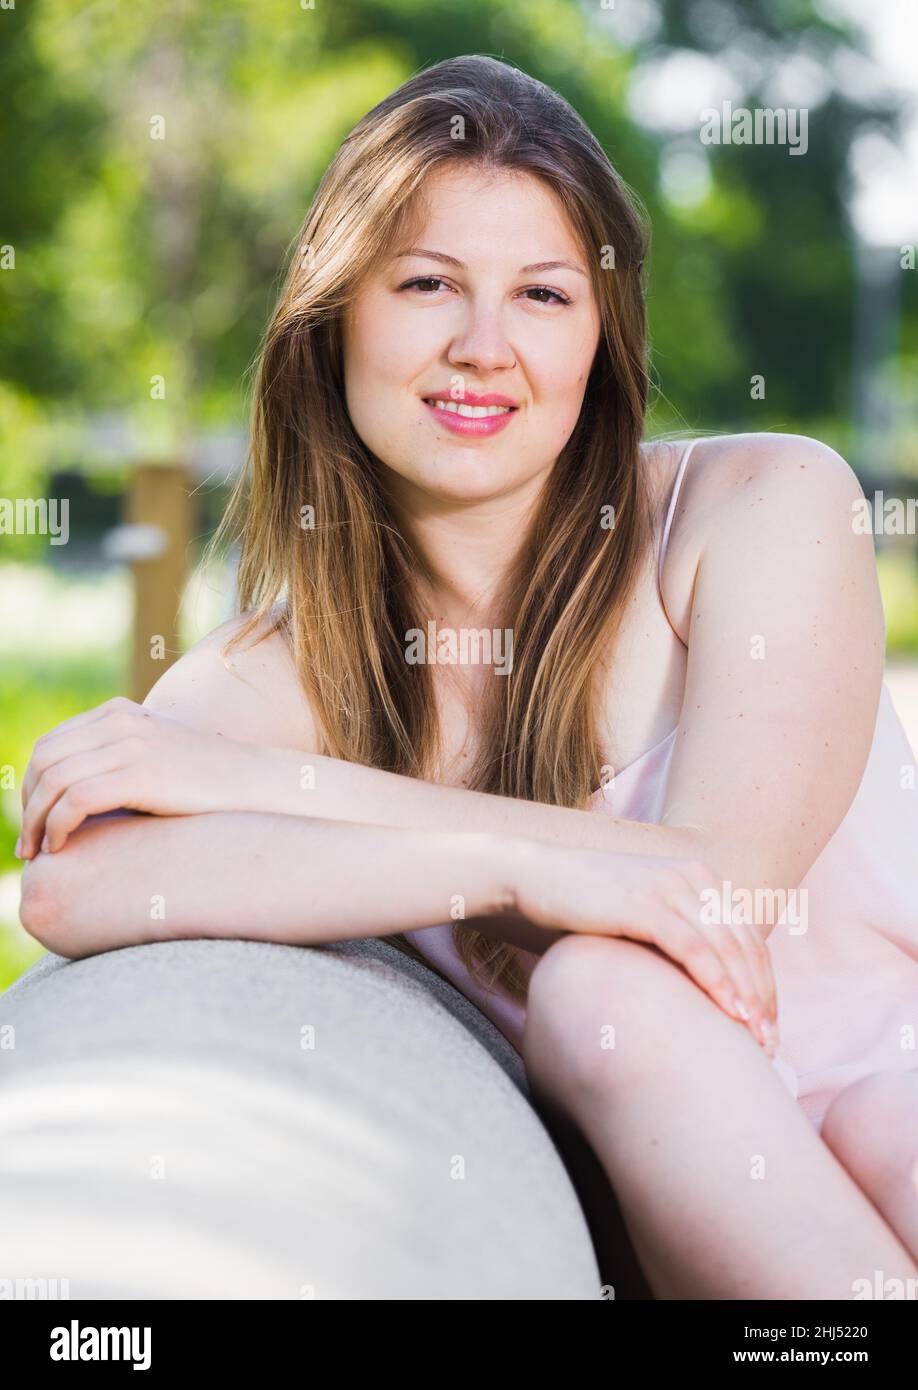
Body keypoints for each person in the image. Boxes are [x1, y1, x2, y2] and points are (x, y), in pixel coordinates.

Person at [17, 55, 918, 1299]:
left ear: (602, 335)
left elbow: (710, 898)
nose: (482, 348)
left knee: (635, 994)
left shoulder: (756, 504)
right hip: (671, 1229)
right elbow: (74, 888)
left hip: (901, 1100)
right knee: (605, 989)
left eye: (543, 295)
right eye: (429, 283)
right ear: (336, 315)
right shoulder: (280, 680)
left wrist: (293, 791)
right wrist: (514, 861)